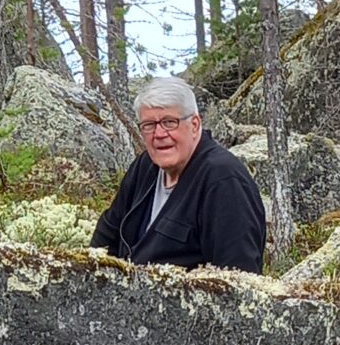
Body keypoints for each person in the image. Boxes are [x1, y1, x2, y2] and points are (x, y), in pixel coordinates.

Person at [90, 76, 267, 273]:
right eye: (149, 125)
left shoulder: (224, 181)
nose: (159, 134)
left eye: (169, 122)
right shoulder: (146, 166)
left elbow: (239, 277)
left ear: (194, 125)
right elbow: (107, 234)